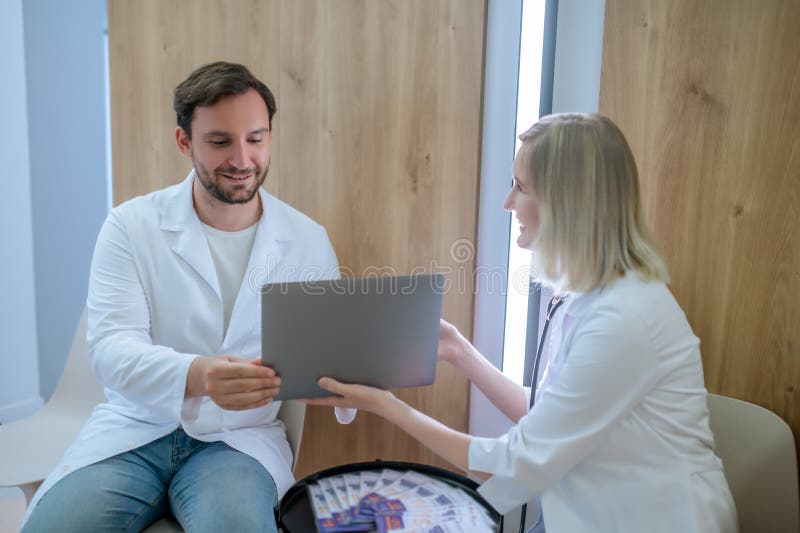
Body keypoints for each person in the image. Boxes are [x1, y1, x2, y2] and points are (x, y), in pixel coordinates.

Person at [308, 114, 739, 532]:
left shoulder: (624, 320)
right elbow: (544, 419)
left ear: (567, 204)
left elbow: (514, 464)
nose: (507, 202)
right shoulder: (582, 296)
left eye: (520, 187)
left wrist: (386, 405)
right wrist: (459, 351)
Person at [22, 61, 354, 532]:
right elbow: (111, 351)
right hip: (136, 430)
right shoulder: (130, 226)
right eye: (220, 142)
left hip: (239, 441)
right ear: (185, 142)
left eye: (256, 139)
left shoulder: (306, 239)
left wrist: (349, 378)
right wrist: (196, 375)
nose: (242, 159)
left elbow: (329, 351)